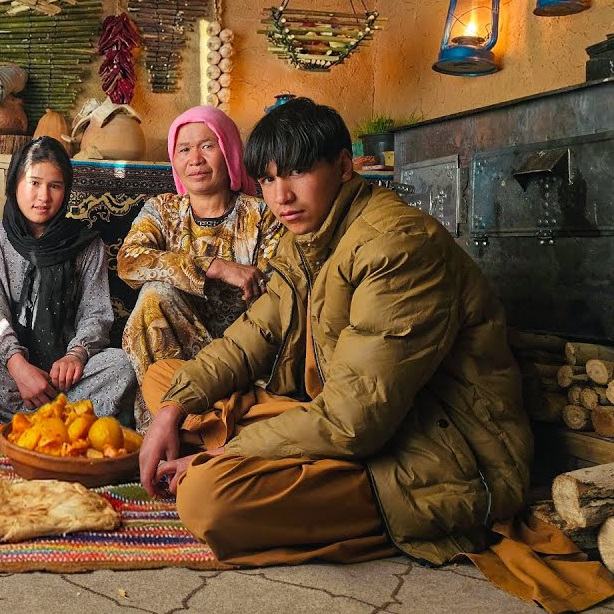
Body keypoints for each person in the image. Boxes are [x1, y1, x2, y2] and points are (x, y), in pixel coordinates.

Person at [138, 97, 531, 568]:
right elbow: (252, 336)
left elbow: (354, 422)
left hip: (427, 454)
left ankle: (228, 457)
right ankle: (225, 446)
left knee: (208, 497)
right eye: (267, 178)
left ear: (344, 166)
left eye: (297, 173)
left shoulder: (398, 247)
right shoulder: (304, 239)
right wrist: (173, 410)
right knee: (166, 379)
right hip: (335, 418)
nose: (281, 196)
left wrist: (225, 458)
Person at [0, 137, 136, 428]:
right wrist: (18, 366)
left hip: (66, 379)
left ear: (66, 190)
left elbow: (96, 314)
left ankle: (25, 423)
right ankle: (63, 421)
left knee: (121, 364)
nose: (43, 197)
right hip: (8, 373)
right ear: (14, 184)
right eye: (34, 183)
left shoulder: (86, 245)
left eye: (55, 186)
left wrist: (76, 355)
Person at [117, 105, 283, 430]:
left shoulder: (262, 215)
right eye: (184, 149)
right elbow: (130, 261)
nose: (195, 159)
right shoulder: (163, 210)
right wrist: (215, 267)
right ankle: (170, 431)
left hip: (241, 356)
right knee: (155, 296)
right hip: (172, 356)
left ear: (230, 151)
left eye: (208, 145)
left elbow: (274, 301)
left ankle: (206, 427)